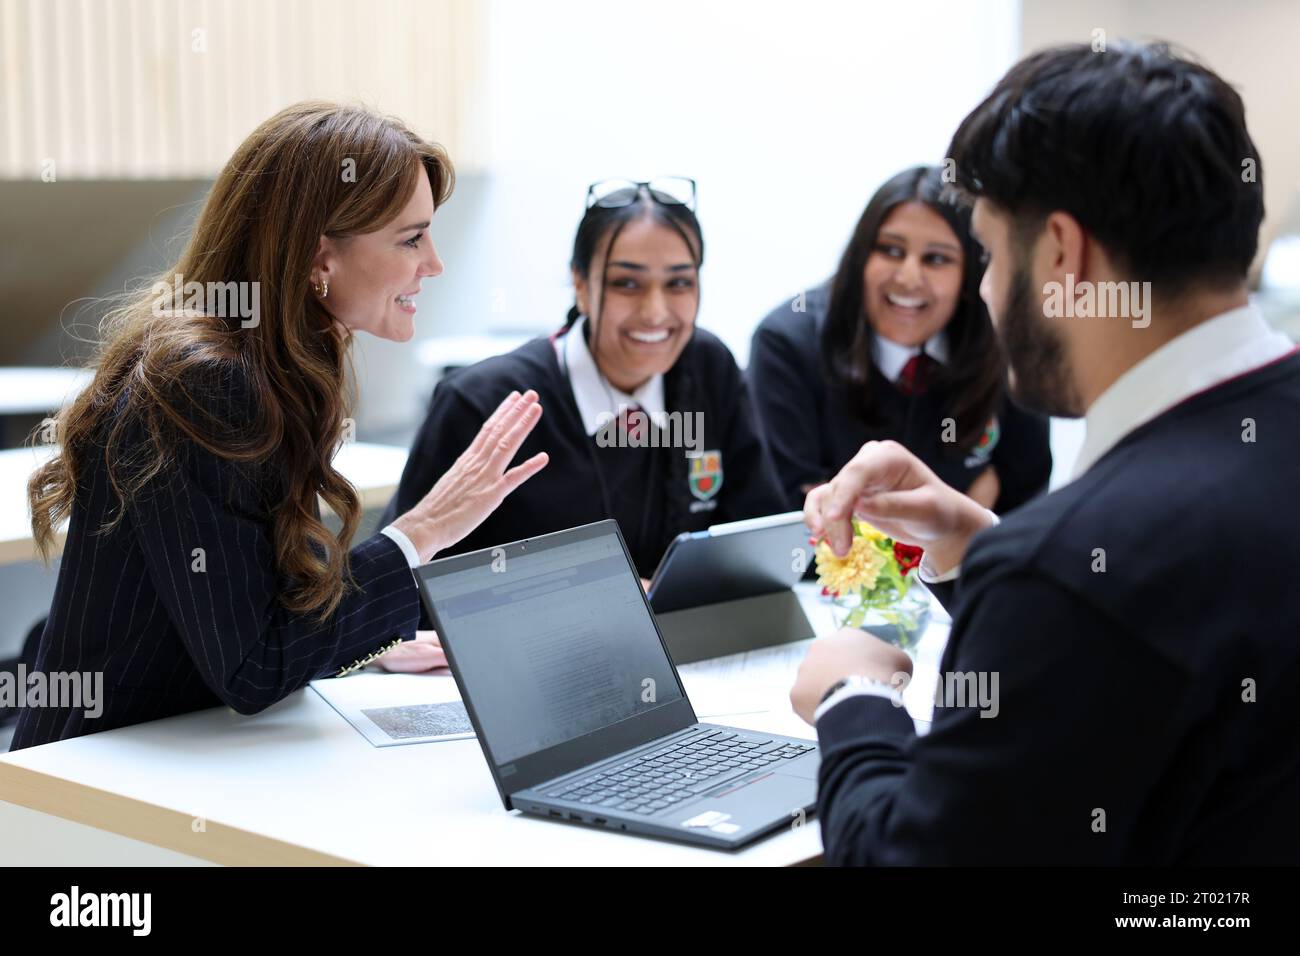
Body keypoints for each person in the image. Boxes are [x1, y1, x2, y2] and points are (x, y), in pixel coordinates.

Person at [790, 41, 1299, 864]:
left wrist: (852, 700)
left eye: (986, 254)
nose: (986, 291)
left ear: (1062, 254)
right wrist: (981, 551)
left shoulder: (1062, 572)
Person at [12, 103, 548, 751]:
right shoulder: (209, 384)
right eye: (410, 239)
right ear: (321, 258)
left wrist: (365, 644)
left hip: (183, 748)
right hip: (96, 780)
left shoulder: (275, 364)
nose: (432, 264)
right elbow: (253, 668)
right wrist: (421, 532)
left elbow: (261, 618)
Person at [379, 177, 785, 591]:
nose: (655, 312)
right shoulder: (482, 401)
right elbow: (406, 586)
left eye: (679, 283)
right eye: (626, 283)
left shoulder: (708, 368)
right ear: (580, 285)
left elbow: (759, 539)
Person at [748, 165, 1051, 515]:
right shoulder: (786, 344)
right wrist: (965, 507)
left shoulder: (1003, 343)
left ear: (970, 273)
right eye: (890, 251)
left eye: (936, 259)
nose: (908, 277)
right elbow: (804, 514)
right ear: (860, 256)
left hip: (975, 570)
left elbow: (1025, 505)